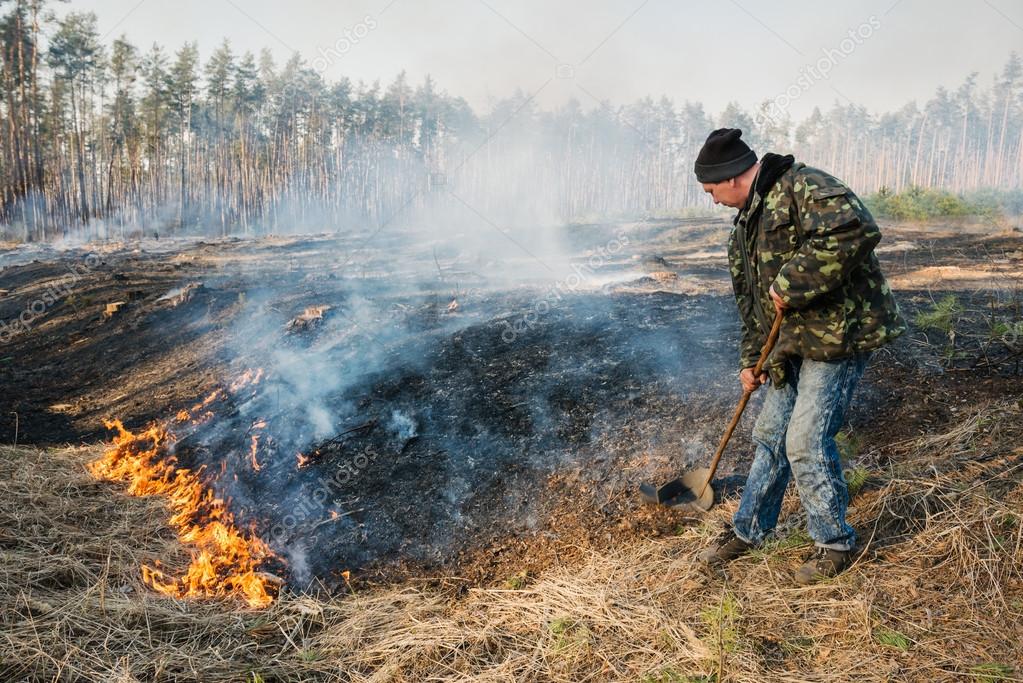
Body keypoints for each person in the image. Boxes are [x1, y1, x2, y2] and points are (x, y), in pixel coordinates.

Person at [692, 128, 905, 584]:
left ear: (729, 177)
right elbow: (753, 304)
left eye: (710, 190)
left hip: (837, 336)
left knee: (804, 440)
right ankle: (749, 530)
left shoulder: (802, 186)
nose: (711, 200)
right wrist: (754, 361)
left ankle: (834, 543)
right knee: (771, 433)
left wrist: (793, 282)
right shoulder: (744, 227)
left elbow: (856, 229)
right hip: (791, 344)